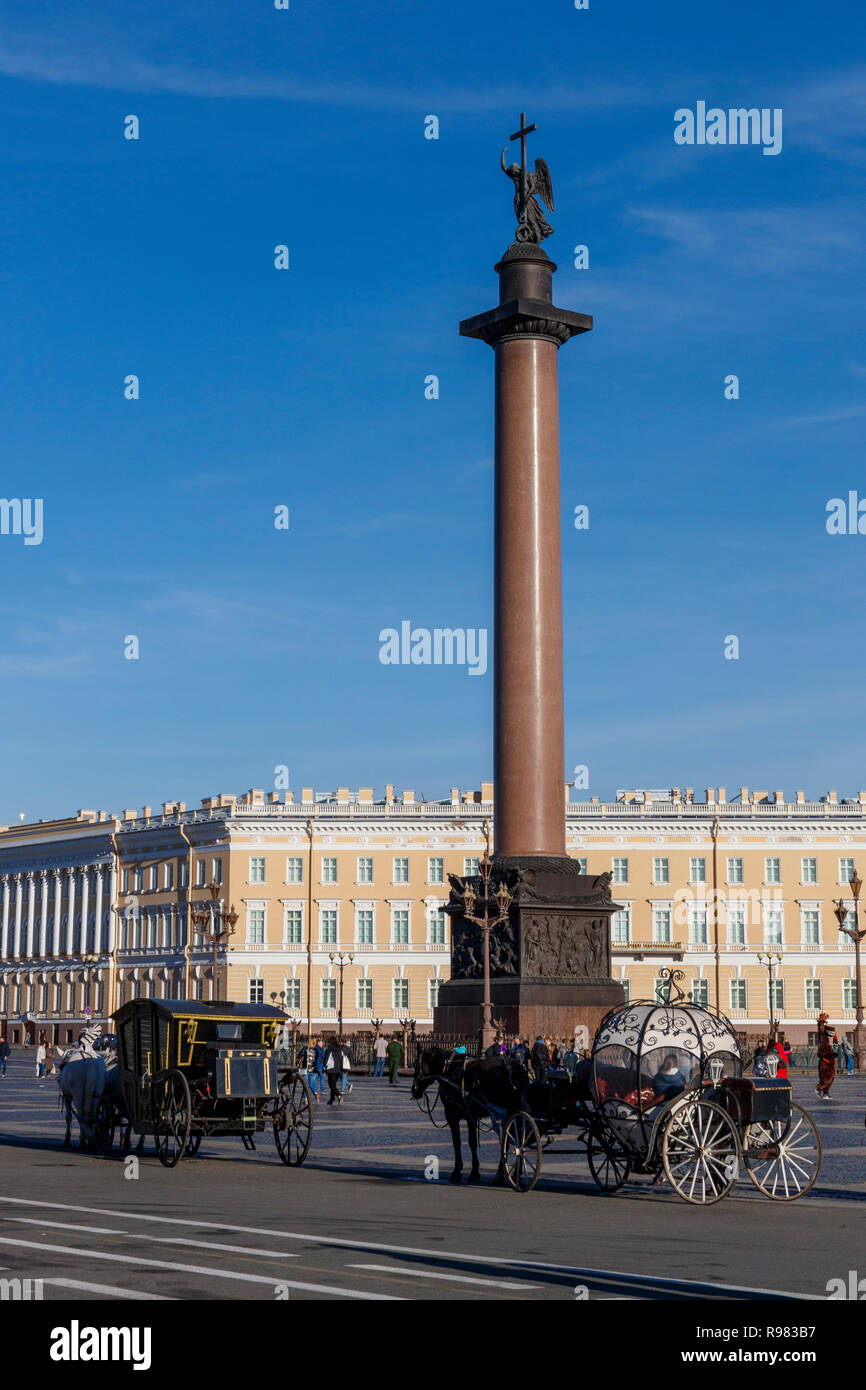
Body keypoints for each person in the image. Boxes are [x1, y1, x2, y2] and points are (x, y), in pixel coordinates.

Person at [816, 1013, 837, 1100]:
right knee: (827, 1078)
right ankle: (820, 1090)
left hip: (827, 1063)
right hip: (825, 1064)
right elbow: (821, 1031)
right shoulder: (823, 1043)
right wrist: (821, 1023)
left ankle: (825, 1093)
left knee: (829, 1078)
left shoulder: (826, 1042)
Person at [324, 1037, 344, 1105]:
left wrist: (324, 1067)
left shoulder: (329, 1049)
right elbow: (341, 1059)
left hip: (331, 1069)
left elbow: (326, 1059)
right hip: (337, 1069)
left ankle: (339, 1095)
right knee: (334, 1085)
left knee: (332, 1086)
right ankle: (331, 1099)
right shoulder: (339, 1049)